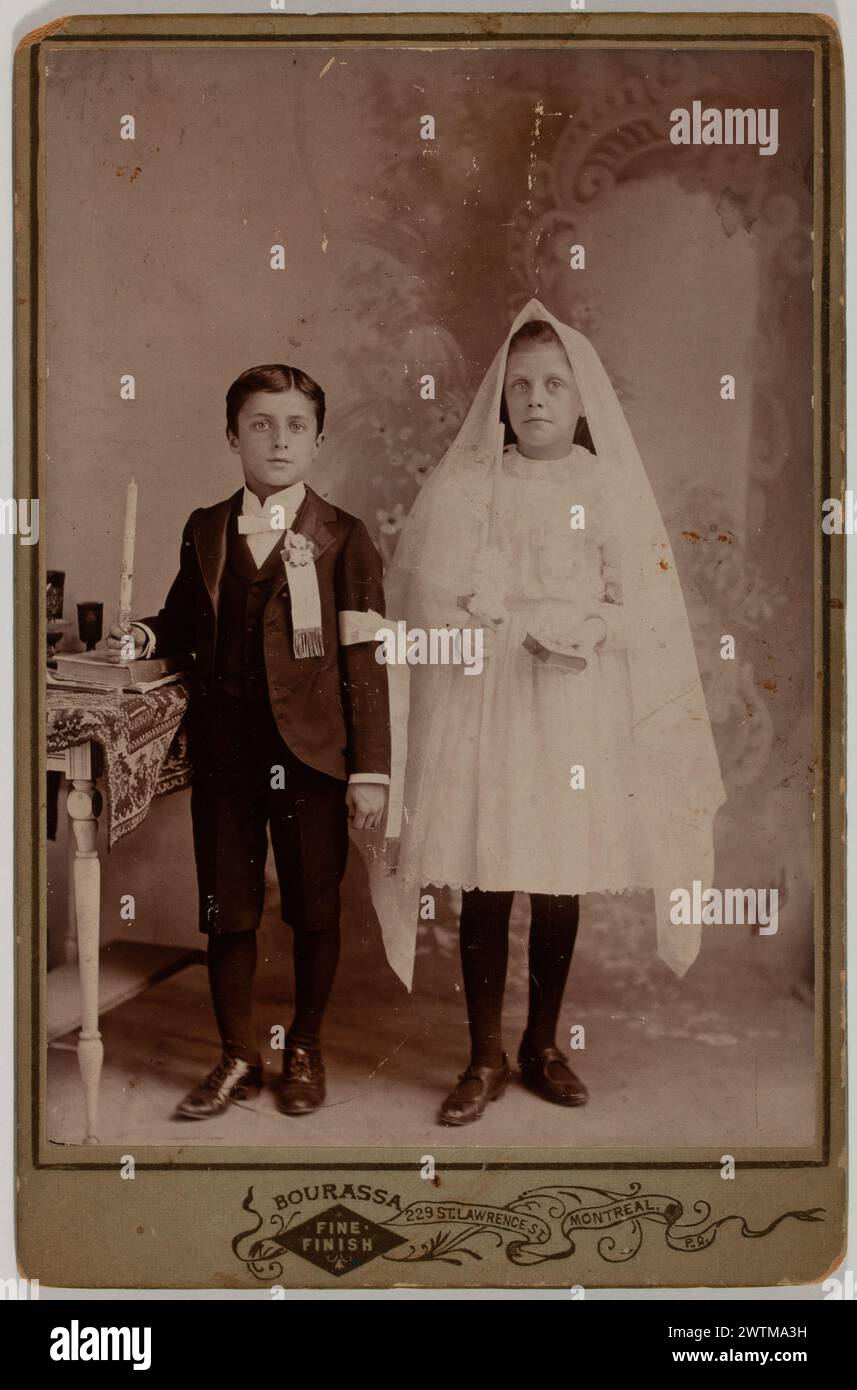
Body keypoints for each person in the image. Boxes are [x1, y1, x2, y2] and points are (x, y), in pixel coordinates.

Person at [376, 298, 726, 1126]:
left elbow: (637, 598)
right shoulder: (473, 481)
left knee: (558, 877)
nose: (535, 399)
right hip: (488, 694)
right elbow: (428, 586)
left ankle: (540, 1042)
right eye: (521, 385)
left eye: (553, 386)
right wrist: (487, 615)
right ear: (500, 397)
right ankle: (481, 1055)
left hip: (572, 698)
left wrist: (586, 626)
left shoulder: (605, 486)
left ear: (580, 401)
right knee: (488, 878)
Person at [108, 364, 390, 1119]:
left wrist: (370, 770)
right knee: (227, 909)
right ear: (232, 435)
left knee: (312, 908)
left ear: (319, 441)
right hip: (227, 755)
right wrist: (140, 633)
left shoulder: (344, 537)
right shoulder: (205, 527)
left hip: (313, 759)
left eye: (295, 426)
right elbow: (179, 620)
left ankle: (304, 1046)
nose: (278, 439)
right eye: (260, 424)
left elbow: (365, 663)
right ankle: (236, 1054)